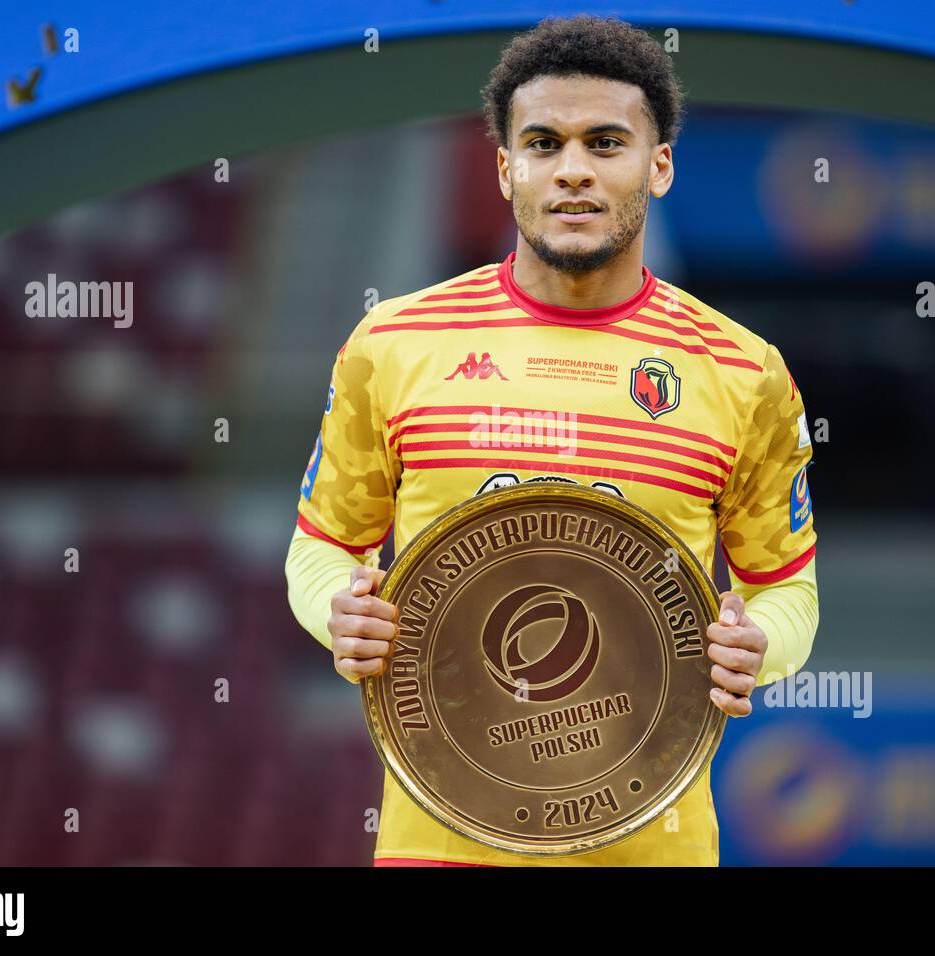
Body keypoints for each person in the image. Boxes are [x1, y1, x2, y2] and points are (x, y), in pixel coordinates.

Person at [285, 14, 819, 866]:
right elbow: (319, 548)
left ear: (660, 163)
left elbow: (789, 589)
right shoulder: (393, 343)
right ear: (506, 169)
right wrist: (336, 612)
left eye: (606, 142)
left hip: (656, 841)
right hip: (440, 839)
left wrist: (762, 647)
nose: (573, 170)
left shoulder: (744, 371)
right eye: (543, 143)